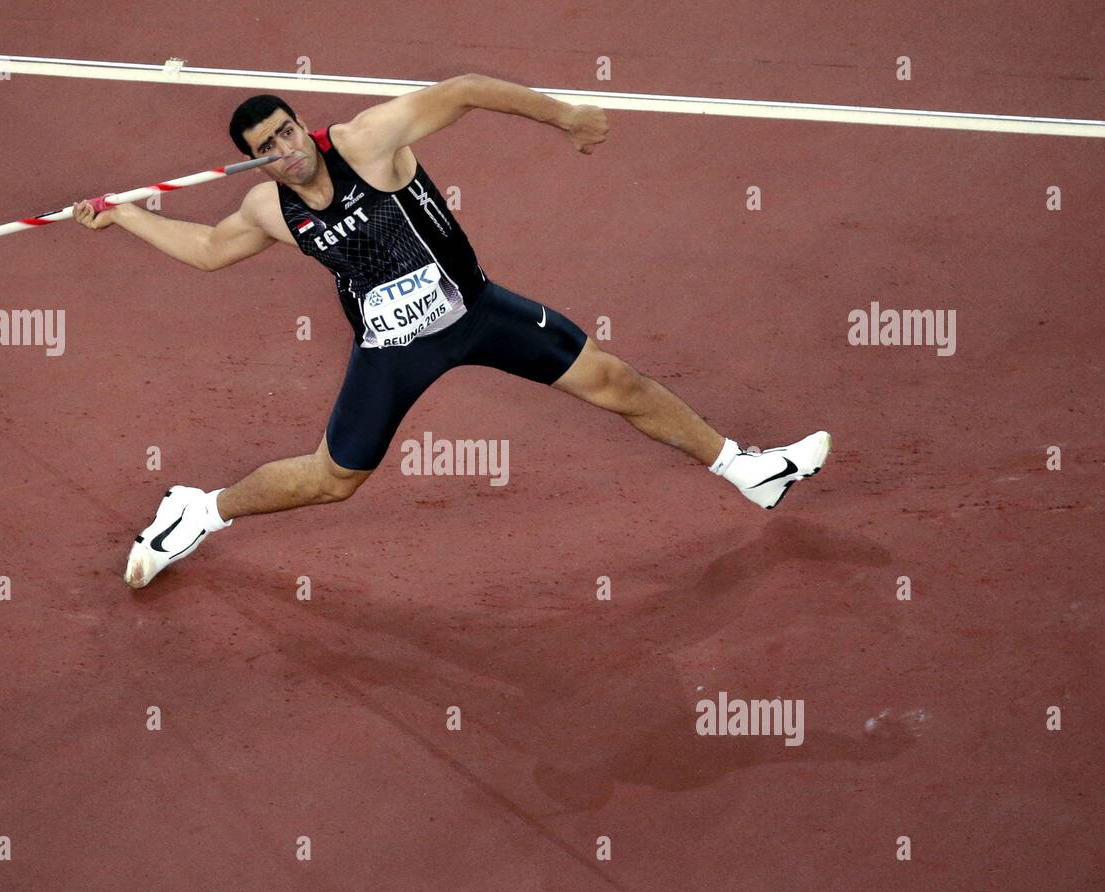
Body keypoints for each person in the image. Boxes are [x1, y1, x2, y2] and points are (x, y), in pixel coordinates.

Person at [73, 74, 830, 588]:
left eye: (287, 131)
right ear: (252, 164)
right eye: (266, 148)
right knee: (333, 480)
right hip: (391, 351)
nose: (286, 148)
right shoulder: (272, 212)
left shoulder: (370, 140)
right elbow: (208, 253)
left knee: (615, 380)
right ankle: (201, 510)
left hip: (476, 312)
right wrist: (127, 215)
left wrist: (562, 116)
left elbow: (464, 91)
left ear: (304, 124)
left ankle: (746, 469)